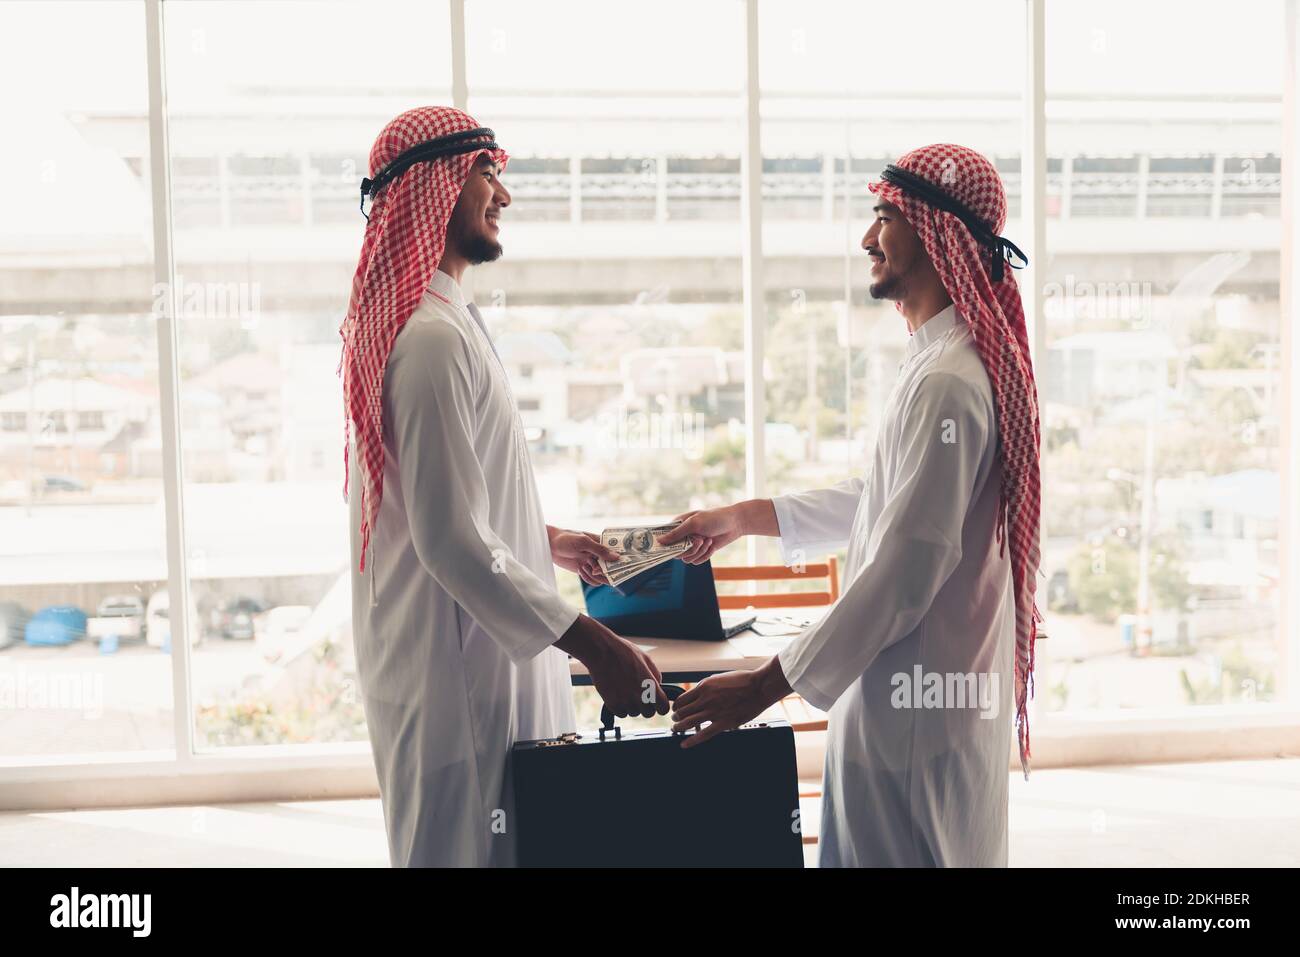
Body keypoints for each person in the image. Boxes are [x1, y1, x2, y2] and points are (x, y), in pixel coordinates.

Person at [655, 144, 1043, 867]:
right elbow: (884, 502)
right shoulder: (939, 361)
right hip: (915, 713)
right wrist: (742, 518)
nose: (868, 238)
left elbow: (904, 566)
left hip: (917, 731)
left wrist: (766, 686)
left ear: (937, 231)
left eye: (886, 215)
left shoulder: (949, 382)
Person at [339, 106, 667, 867]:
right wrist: (595, 642)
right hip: (459, 689)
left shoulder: (444, 322)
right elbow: (450, 540)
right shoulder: (426, 338)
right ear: (438, 184)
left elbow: (445, 494)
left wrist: (544, 540)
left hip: (480, 672)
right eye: (488, 171)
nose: (504, 194)